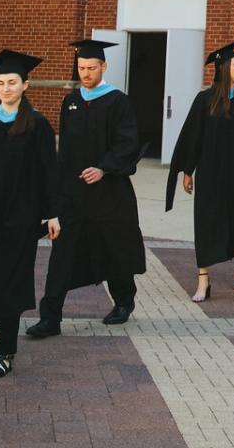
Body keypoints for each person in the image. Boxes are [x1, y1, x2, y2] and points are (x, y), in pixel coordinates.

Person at [30, 39, 147, 336]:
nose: (86, 73)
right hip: (74, 193)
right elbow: (65, 150)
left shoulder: (118, 101)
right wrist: (57, 192)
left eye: (91, 68)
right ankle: (50, 317)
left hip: (109, 192)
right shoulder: (71, 102)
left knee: (114, 248)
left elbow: (128, 143)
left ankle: (124, 301)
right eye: (82, 68)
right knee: (61, 255)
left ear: (104, 67)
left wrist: (105, 168)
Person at [0, 49, 58, 379]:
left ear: (26, 85)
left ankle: (5, 350)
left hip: (22, 217)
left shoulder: (37, 125)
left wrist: (52, 214)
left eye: (12, 82)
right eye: (0, 82)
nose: (5, 88)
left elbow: (49, 172)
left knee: (12, 281)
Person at [166, 42, 234, 300]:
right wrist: (188, 170)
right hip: (211, 173)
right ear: (224, 68)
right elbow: (193, 136)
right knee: (206, 223)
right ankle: (203, 280)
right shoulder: (205, 100)